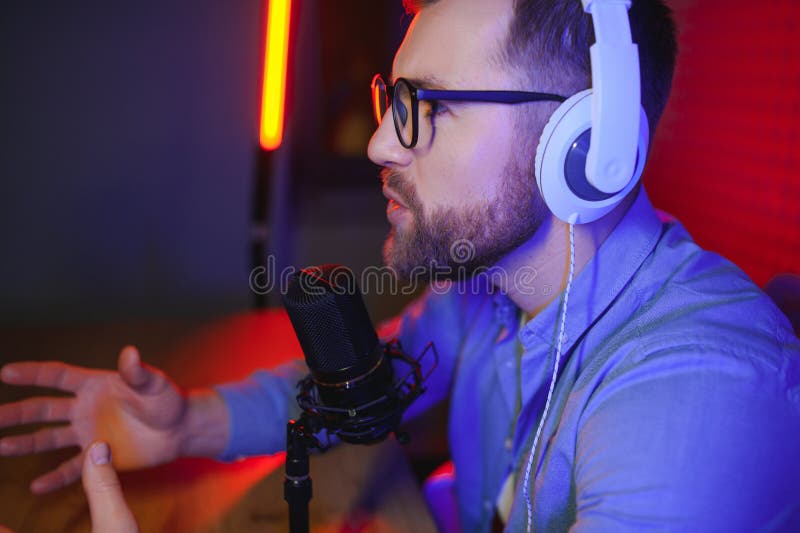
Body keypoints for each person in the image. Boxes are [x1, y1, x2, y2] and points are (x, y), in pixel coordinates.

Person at [1, 0, 799, 531]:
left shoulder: (698, 395)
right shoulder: (481, 291)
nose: (382, 142)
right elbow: (363, 381)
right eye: (392, 99)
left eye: (429, 107)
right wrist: (191, 421)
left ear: (586, 147)